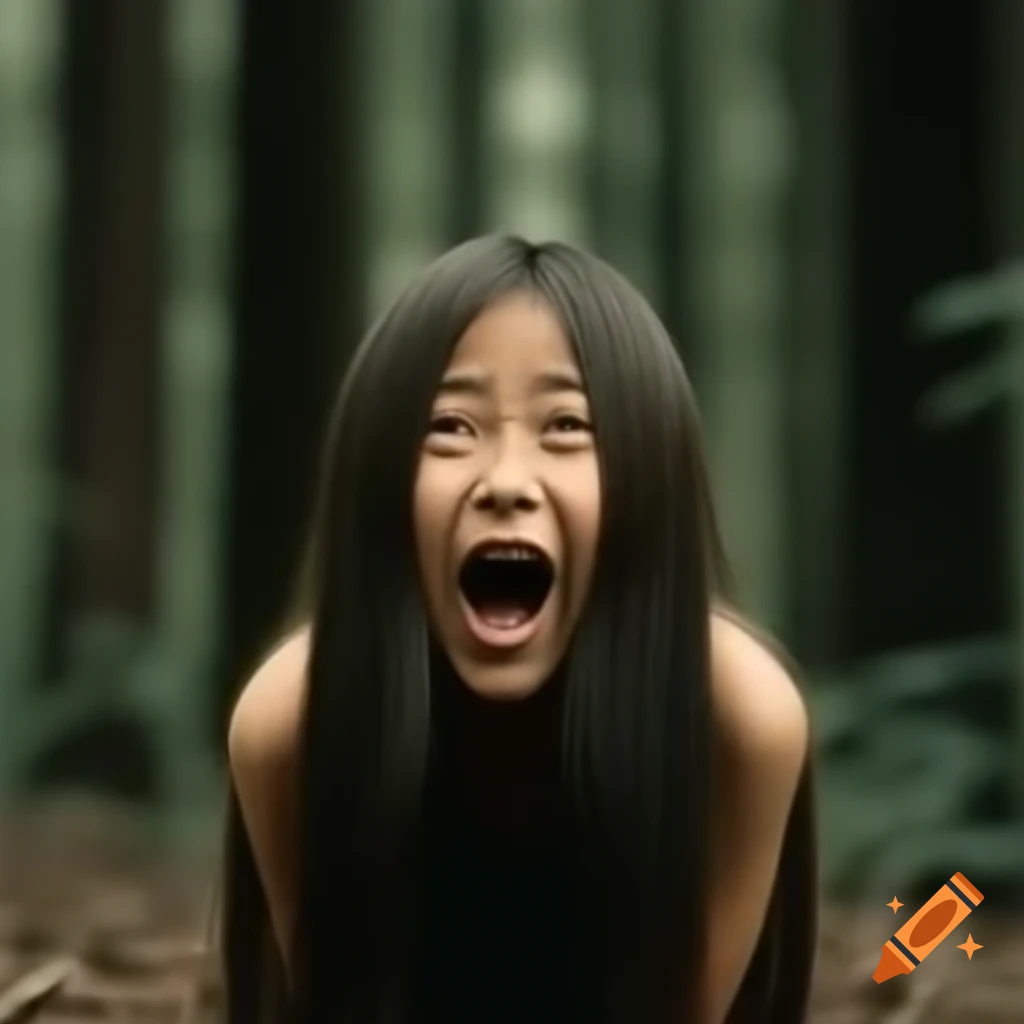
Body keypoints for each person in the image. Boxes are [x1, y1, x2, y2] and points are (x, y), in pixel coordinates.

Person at [219, 236, 817, 1024]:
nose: (505, 483)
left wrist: (932, 937)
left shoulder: (742, 718)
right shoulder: (290, 722)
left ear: (650, 476)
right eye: (450, 427)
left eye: (568, 425)